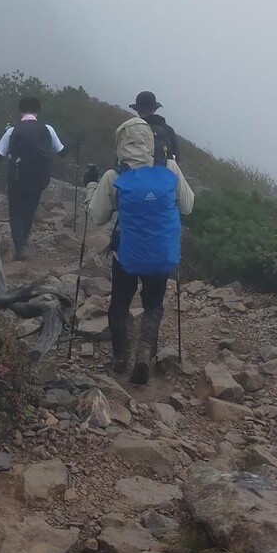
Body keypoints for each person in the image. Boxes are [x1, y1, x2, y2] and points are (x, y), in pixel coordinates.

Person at [86, 115, 194, 386]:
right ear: (150, 140)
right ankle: (145, 351)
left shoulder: (114, 175)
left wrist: (90, 188)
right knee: (153, 304)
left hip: (127, 255)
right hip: (161, 253)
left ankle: (120, 357)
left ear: (120, 142)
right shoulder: (169, 167)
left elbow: (97, 217)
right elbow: (188, 206)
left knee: (120, 303)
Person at [0, 96, 65, 259]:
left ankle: (19, 245)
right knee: (30, 208)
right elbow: (60, 151)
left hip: (17, 177)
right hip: (40, 178)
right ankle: (24, 239)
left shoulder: (12, 130)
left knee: (16, 210)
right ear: (38, 110)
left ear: (20, 110)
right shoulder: (48, 129)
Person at [130, 91, 180, 165]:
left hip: (133, 173)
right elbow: (175, 158)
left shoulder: (130, 128)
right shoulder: (168, 130)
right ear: (154, 110)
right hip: (162, 174)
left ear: (138, 111)